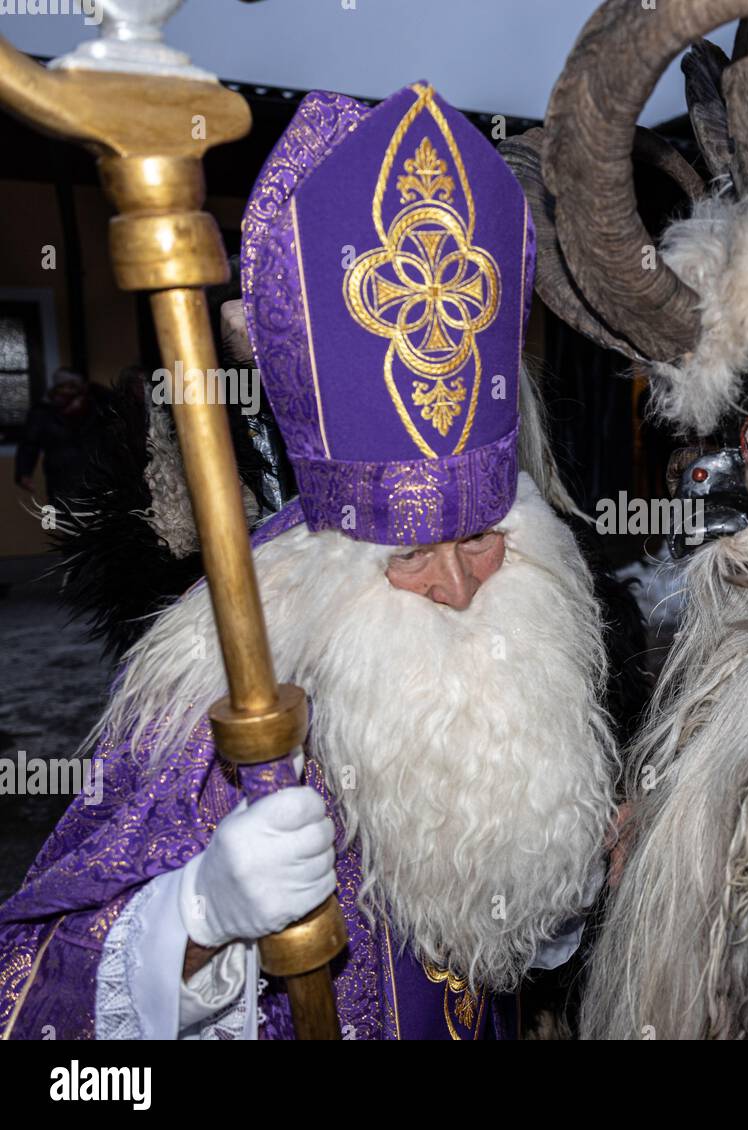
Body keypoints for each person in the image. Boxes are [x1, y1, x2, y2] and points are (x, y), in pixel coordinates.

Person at [0, 81, 615, 1040]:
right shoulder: (224, 701)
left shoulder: (536, 641)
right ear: (331, 561)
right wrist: (197, 922)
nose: (456, 589)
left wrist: (553, 880)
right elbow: (32, 1002)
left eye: (483, 540)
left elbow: (519, 957)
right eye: (409, 554)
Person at [15, 369, 108, 513]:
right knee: (69, 520)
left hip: (94, 475)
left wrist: (95, 389)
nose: (67, 390)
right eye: (63, 385)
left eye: (72, 386)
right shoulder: (43, 411)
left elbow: (113, 409)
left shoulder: (92, 406)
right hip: (61, 476)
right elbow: (30, 443)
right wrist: (24, 472)